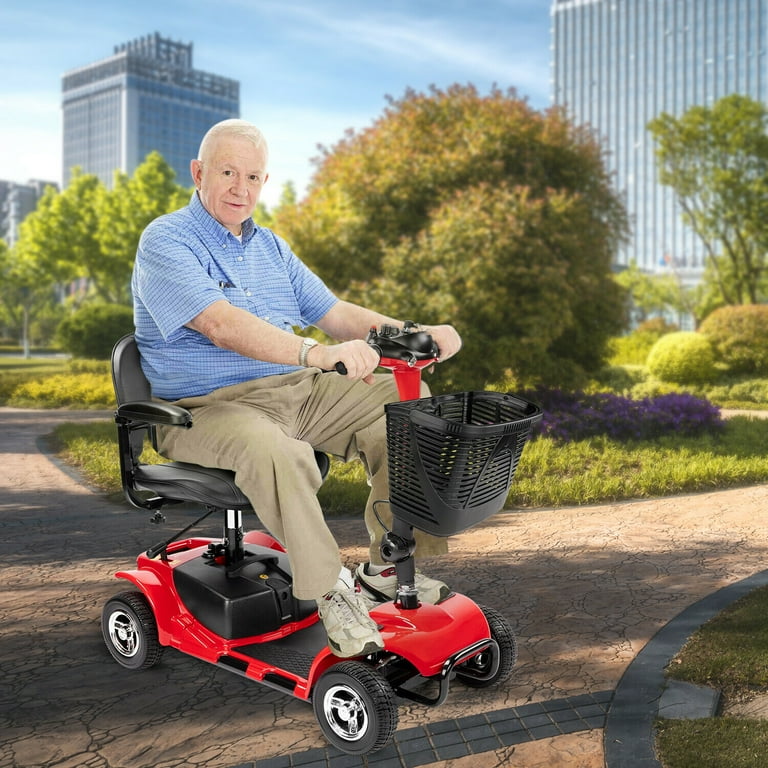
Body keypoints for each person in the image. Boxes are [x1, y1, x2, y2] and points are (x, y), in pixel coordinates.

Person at [131, 118, 462, 658]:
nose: (241, 187)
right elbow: (220, 324)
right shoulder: (166, 241)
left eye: (254, 176)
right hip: (204, 409)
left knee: (405, 407)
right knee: (277, 452)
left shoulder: (272, 249)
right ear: (198, 173)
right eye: (228, 172)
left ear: (265, 183)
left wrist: (416, 334)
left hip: (293, 390)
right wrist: (315, 354)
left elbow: (334, 313)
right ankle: (331, 591)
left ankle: (384, 565)